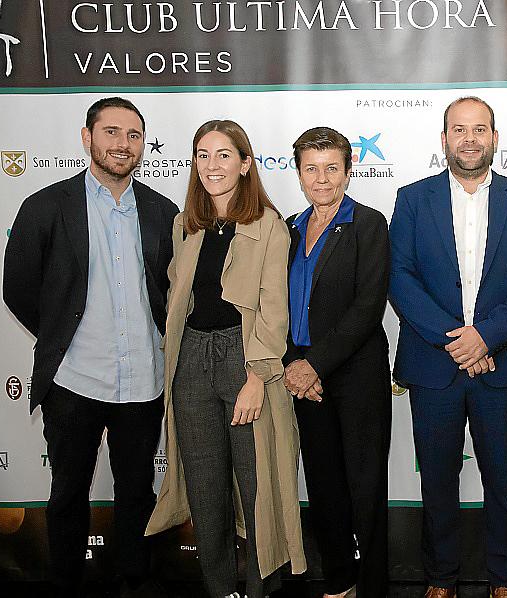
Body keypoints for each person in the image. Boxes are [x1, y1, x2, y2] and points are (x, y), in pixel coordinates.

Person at [2, 97, 178, 598]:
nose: (123, 144)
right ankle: (65, 583)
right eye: (112, 133)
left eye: (134, 135)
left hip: (143, 382)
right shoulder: (44, 207)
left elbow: (169, 294)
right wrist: (62, 336)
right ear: (87, 138)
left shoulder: (163, 212)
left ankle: (133, 580)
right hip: (74, 381)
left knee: (136, 495)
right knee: (67, 496)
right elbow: (18, 289)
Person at [389, 96, 507, 598]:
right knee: (437, 481)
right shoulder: (413, 199)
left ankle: (504, 579)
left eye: (479, 129)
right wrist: (457, 341)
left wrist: (486, 336)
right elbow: (401, 278)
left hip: (499, 362)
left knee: (501, 479)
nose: (469, 139)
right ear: (444, 140)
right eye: (459, 130)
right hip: (435, 364)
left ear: (495, 138)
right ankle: (441, 578)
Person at [145, 120, 306, 598]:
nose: (211, 166)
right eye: (202, 155)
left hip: (247, 359)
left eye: (223, 155)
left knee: (259, 491)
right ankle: (219, 589)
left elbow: (275, 309)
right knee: (205, 490)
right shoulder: (185, 224)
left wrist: (257, 376)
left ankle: (259, 590)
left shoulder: (270, 226)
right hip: (191, 361)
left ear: (245, 163)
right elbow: (177, 301)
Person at [282, 127, 391, 598]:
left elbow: (368, 307)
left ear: (349, 171)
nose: (322, 179)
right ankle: (341, 579)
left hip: (354, 374)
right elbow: (275, 306)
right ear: (299, 173)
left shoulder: (369, 224)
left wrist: (314, 365)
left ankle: (372, 586)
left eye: (331, 168)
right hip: (304, 380)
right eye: (312, 168)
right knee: (324, 484)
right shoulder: (286, 228)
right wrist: (292, 363)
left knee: (365, 486)